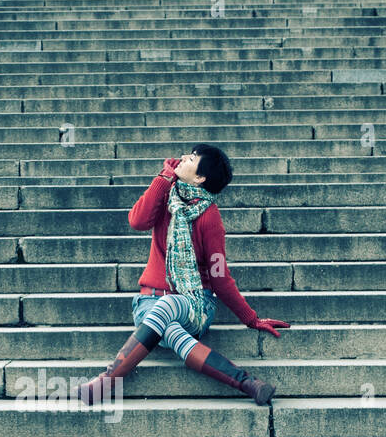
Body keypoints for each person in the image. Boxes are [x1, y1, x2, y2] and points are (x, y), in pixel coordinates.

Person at [76, 144, 288, 406]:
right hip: (148, 305)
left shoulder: (209, 217)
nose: (183, 157)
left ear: (200, 178)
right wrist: (163, 179)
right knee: (172, 330)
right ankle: (249, 384)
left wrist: (251, 318)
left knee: (167, 307)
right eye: (189, 154)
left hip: (194, 305)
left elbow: (219, 276)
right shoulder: (164, 196)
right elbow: (137, 221)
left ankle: (106, 381)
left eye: (192, 158)